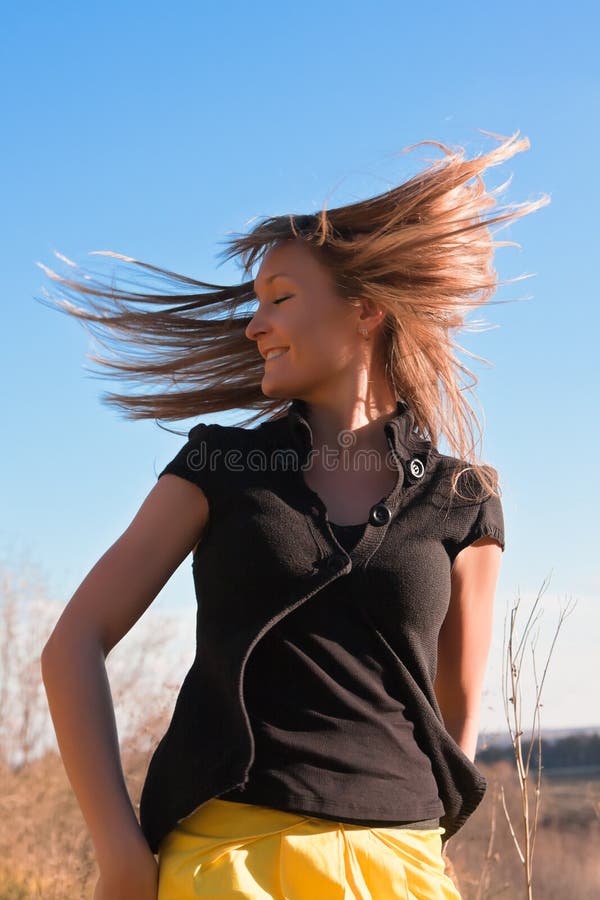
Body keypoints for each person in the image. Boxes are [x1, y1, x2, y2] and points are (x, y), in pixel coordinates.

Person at [39, 130, 549, 899]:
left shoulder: (462, 499)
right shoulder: (219, 467)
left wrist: (427, 842)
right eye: (255, 304)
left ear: (366, 309)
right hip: (226, 862)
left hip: (401, 869)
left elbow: (458, 710)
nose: (254, 325)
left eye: (279, 298)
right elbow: (72, 643)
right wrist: (120, 854)